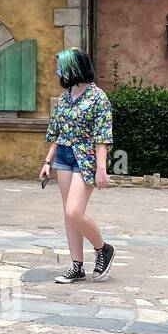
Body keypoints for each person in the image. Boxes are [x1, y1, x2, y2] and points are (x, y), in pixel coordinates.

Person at [39, 48, 117, 283]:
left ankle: (103, 248)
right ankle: (77, 266)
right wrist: (47, 161)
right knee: (68, 214)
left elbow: (102, 136)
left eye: (61, 66)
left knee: (75, 211)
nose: (58, 71)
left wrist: (101, 168)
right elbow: (57, 132)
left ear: (74, 67)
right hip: (63, 155)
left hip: (86, 158)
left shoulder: (98, 97)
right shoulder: (64, 98)